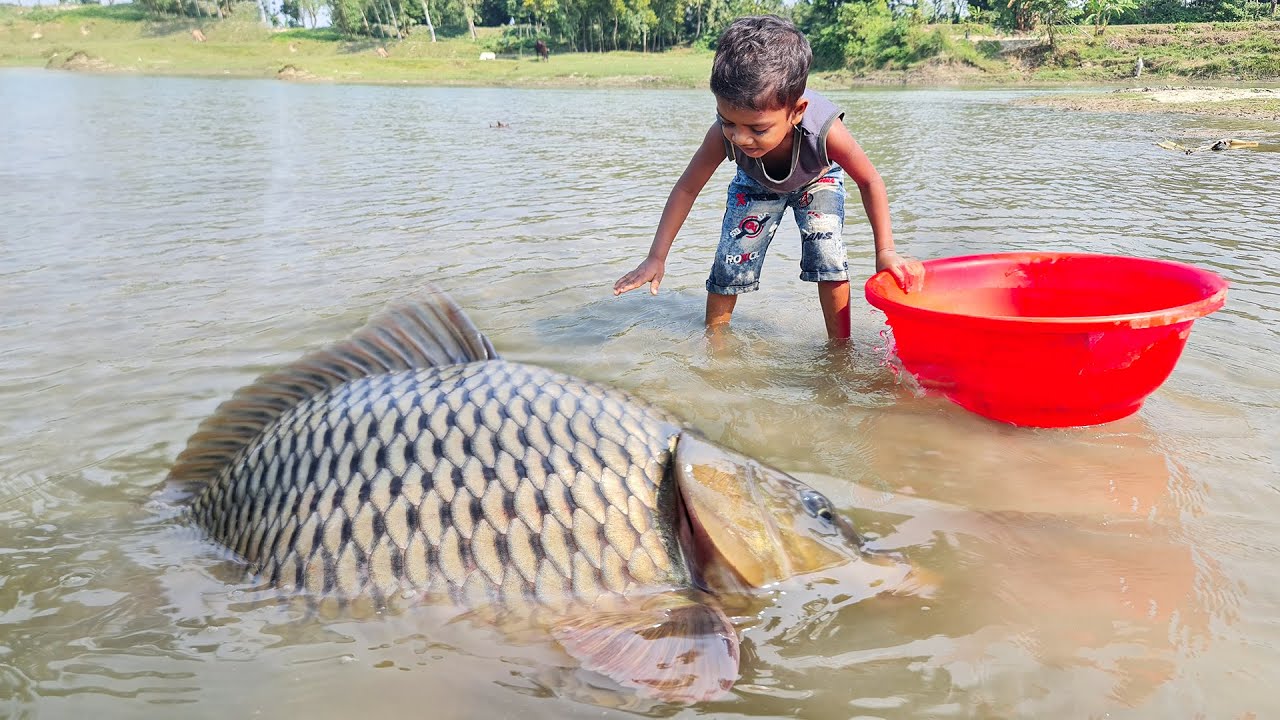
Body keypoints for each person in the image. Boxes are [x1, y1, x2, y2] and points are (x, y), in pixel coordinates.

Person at [612, 15, 924, 340]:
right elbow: (687, 188)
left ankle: (839, 349)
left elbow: (870, 180)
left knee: (827, 251)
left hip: (817, 178)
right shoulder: (722, 135)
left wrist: (885, 251)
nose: (740, 138)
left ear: (797, 111)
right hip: (755, 183)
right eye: (727, 121)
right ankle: (716, 343)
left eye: (757, 129)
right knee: (731, 257)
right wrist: (656, 257)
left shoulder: (825, 132)